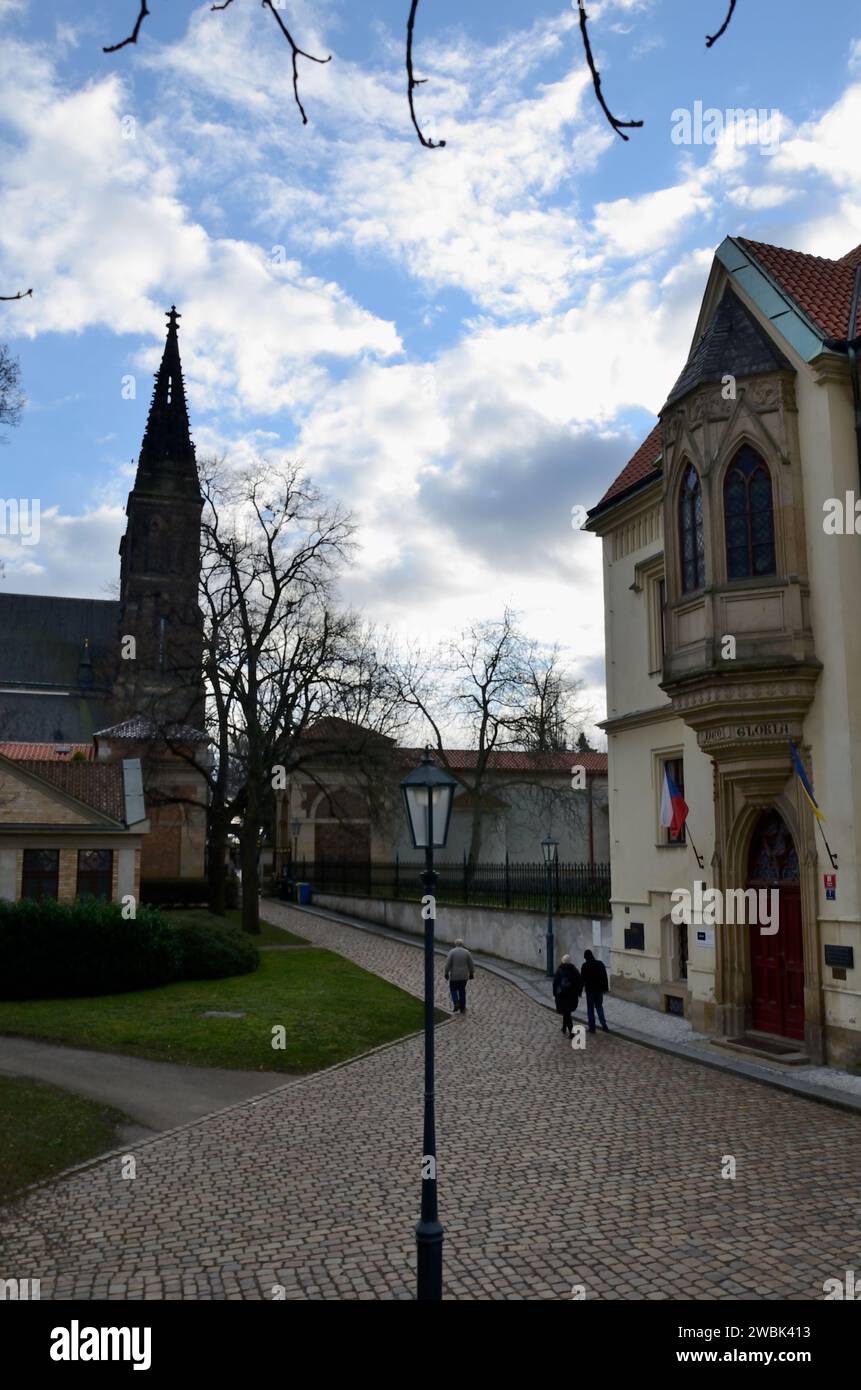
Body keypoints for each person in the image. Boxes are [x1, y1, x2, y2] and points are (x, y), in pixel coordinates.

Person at [581, 948, 610, 1033]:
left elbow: (582, 979)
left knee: (590, 1009)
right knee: (599, 1007)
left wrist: (579, 990)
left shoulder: (585, 966)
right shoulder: (600, 964)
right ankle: (604, 1024)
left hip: (590, 991)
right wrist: (605, 988)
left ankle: (592, 1027)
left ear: (585, 957)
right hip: (599, 990)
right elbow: (604, 977)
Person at [552, 954, 581, 1037]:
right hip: (572, 995)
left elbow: (555, 983)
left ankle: (572, 1032)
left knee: (566, 1013)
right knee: (567, 1012)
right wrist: (578, 992)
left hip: (562, 995)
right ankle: (564, 1027)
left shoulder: (560, 970)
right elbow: (579, 981)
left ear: (562, 961)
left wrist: (554, 993)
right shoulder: (574, 970)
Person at [444, 939, 475, 1013]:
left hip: (454, 975)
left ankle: (456, 1002)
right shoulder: (467, 952)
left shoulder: (452, 952)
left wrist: (446, 972)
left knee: (453, 990)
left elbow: (448, 964)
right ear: (462, 944)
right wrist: (471, 973)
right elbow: (471, 964)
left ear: (455, 944)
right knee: (462, 991)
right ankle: (463, 1007)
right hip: (464, 976)